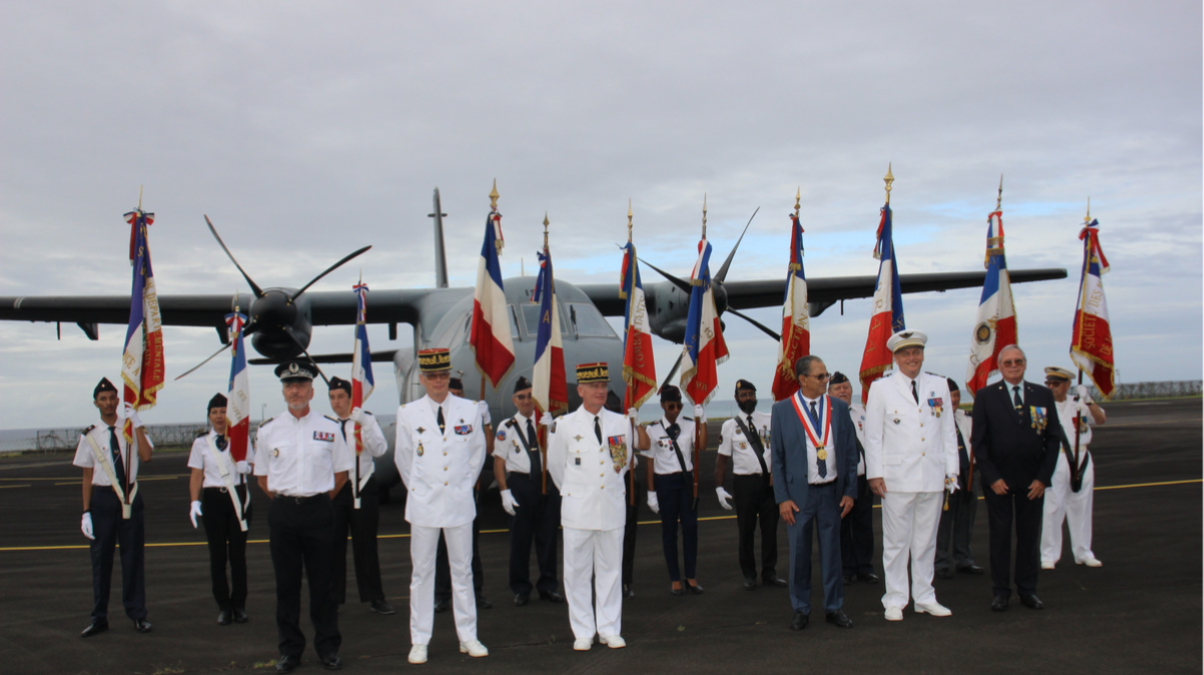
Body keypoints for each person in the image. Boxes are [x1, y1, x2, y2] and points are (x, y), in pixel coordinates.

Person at [254, 360, 352, 673]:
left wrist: (315, 500)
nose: (294, 390)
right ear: (283, 391)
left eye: (300, 385)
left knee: (323, 584)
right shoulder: (268, 431)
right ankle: (290, 651)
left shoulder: (330, 428)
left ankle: (328, 648)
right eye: (289, 385)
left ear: (311, 391)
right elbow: (262, 478)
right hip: (283, 512)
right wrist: (289, 502)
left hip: (319, 511)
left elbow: (341, 474)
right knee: (286, 585)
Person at [394, 348, 489, 664]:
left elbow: (476, 454)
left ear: (449, 377)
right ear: (422, 379)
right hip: (424, 504)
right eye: (432, 376)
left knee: (462, 571)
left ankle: (468, 636)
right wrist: (421, 490)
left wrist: (461, 486)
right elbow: (404, 458)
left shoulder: (469, 410)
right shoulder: (408, 413)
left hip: (459, 503)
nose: (438, 381)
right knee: (422, 573)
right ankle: (420, 639)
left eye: (443, 375)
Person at [548, 362, 646, 651]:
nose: (600, 390)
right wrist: (578, 492)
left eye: (603, 385)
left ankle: (609, 628)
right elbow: (557, 468)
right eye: (593, 386)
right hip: (578, 510)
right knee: (576, 573)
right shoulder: (564, 425)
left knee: (611, 571)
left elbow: (624, 463)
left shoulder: (621, 423)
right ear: (581, 390)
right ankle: (582, 630)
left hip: (611, 508)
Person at [863, 330, 959, 622]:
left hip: (932, 475)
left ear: (923, 355)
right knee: (896, 543)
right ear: (896, 357)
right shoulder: (881, 388)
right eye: (906, 353)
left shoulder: (939, 385)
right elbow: (873, 435)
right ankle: (895, 599)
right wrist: (875, 473)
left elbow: (947, 430)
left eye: (916, 352)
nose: (912, 358)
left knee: (926, 542)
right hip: (896, 478)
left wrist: (952, 470)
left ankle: (925, 597)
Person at [971, 345, 1061, 612]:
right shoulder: (986, 396)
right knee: (1000, 537)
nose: (1013, 366)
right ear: (999, 366)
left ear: (1025, 364)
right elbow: (979, 442)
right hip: (999, 482)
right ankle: (1001, 591)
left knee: (1029, 537)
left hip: (1033, 482)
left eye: (1018, 361)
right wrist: (992, 477)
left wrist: (1043, 478)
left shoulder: (1042, 394)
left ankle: (1028, 589)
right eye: (1008, 362)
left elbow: (1053, 439)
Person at [771, 355, 857, 631]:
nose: (825, 381)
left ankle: (834, 607)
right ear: (803, 379)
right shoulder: (782, 410)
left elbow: (850, 453)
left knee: (832, 554)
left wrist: (850, 491)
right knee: (799, 555)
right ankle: (801, 608)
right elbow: (777, 458)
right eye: (820, 377)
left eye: (826, 375)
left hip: (831, 493)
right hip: (798, 497)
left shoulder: (838, 408)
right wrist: (782, 498)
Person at [75, 377, 154, 638]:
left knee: (133, 558)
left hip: (130, 497)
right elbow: (87, 476)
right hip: (102, 500)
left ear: (119, 400)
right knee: (101, 562)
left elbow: (146, 456)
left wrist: (137, 423)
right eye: (103, 399)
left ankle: (138, 614)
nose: (108, 403)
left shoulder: (130, 428)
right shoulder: (90, 435)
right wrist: (86, 511)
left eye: (112, 398)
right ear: (96, 403)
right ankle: (99, 617)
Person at [326, 377, 395, 615]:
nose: (336, 402)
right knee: (333, 547)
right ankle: (334, 599)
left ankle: (375, 597)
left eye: (341, 397)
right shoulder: (327, 425)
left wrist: (365, 423)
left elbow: (380, 449)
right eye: (332, 397)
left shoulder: (366, 420)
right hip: (336, 490)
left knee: (366, 546)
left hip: (363, 487)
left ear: (351, 398)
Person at [494, 376, 565, 606]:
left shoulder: (547, 423)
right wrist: (504, 492)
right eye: (521, 397)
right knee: (520, 540)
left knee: (548, 538)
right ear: (514, 400)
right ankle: (521, 588)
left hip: (546, 483)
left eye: (530, 396)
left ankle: (548, 586)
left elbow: (562, 450)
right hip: (520, 485)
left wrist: (552, 428)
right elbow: (499, 462)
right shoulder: (506, 428)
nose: (526, 401)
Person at [187, 393, 254, 625]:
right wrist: (194, 501)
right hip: (214, 499)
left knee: (238, 556)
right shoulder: (201, 443)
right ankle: (224, 606)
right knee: (217, 557)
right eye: (214, 412)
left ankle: (239, 605)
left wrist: (248, 468)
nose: (219, 416)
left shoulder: (241, 438)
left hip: (238, 498)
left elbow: (254, 464)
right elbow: (196, 474)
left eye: (223, 411)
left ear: (229, 414)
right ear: (209, 416)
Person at [715, 379, 786, 590]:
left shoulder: (770, 419)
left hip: (768, 482)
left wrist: (777, 474)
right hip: (744, 484)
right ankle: (749, 574)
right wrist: (719, 487)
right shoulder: (729, 426)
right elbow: (722, 460)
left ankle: (769, 572)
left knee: (770, 530)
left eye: (751, 394)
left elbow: (779, 451)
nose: (748, 398)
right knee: (746, 530)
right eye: (744, 395)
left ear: (756, 396)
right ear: (736, 398)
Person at [432, 377, 492, 612]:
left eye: (459, 393)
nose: (455, 397)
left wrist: (486, 422)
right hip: (440, 494)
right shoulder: (432, 419)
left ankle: (475, 593)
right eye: (452, 393)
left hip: (466, 493)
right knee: (440, 549)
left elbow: (485, 450)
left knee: (470, 547)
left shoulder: (469, 416)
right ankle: (441, 595)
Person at [642, 385, 707, 596]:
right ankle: (675, 579)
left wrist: (703, 420)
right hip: (665, 483)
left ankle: (691, 576)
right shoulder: (653, 429)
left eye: (679, 405)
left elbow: (702, 445)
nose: (676, 410)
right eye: (671, 406)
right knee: (669, 532)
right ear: (663, 405)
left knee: (691, 528)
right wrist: (651, 493)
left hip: (686, 482)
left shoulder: (689, 424)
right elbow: (649, 463)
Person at [1041, 366, 1107, 569]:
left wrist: (1088, 401)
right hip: (1055, 458)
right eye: (1048, 383)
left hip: (1081, 457)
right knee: (1052, 507)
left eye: (1056, 383)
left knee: (1081, 506)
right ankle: (1049, 554)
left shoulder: (1078, 403)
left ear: (1067, 385)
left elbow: (1100, 419)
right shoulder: (1042, 406)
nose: (1051, 387)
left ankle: (1083, 552)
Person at [828, 372, 879, 586]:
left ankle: (864, 567)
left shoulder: (864, 412)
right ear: (829, 392)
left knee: (864, 525)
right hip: (839, 481)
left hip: (862, 479)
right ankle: (845, 569)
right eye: (838, 388)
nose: (843, 391)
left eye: (846, 387)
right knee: (841, 525)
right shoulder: (826, 415)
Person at [935, 378, 984, 579]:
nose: (954, 399)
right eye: (950, 395)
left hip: (968, 473)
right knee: (943, 521)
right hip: (944, 475)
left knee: (966, 518)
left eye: (956, 395)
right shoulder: (935, 420)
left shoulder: (967, 418)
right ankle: (940, 561)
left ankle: (964, 559)